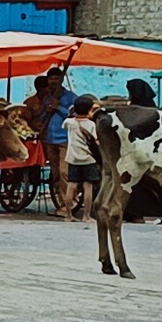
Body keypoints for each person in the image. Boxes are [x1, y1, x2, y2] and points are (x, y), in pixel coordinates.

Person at [44, 68, 77, 216]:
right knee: (55, 174)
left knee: (64, 172)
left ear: (61, 80)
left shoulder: (71, 97)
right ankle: (61, 202)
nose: (53, 82)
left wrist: (59, 108)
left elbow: (75, 116)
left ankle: (67, 205)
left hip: (64, 139)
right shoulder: (47, 98)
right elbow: (42, 117)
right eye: (51, 79)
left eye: (56, 79)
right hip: (49, 139)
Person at [64, 95, 101, 222]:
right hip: (88, 159)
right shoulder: (91, 124)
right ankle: (86, 216)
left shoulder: (69, 123)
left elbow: (67, 120)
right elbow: (96, 141)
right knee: (88, 187)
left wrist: (71, 111)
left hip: (73, 158)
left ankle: (68, 215)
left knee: (71, 185)